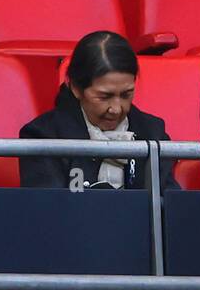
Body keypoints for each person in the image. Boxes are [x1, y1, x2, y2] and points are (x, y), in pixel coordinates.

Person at [19, 31, 178, 192]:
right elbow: (47, 210)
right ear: (75, 88)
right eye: (104, 97)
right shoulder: (44, 137)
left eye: (126, 95)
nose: (116, 109)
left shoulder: (153, 134)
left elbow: (170, 207)